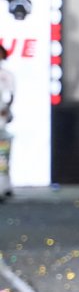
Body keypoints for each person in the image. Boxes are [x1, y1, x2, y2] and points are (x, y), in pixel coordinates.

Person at [0, 45, 14, 200]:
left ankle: (4, 186)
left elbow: (10, 94)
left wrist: (7, 108)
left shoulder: (6, 75)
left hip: (1, 119)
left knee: (3, 153)